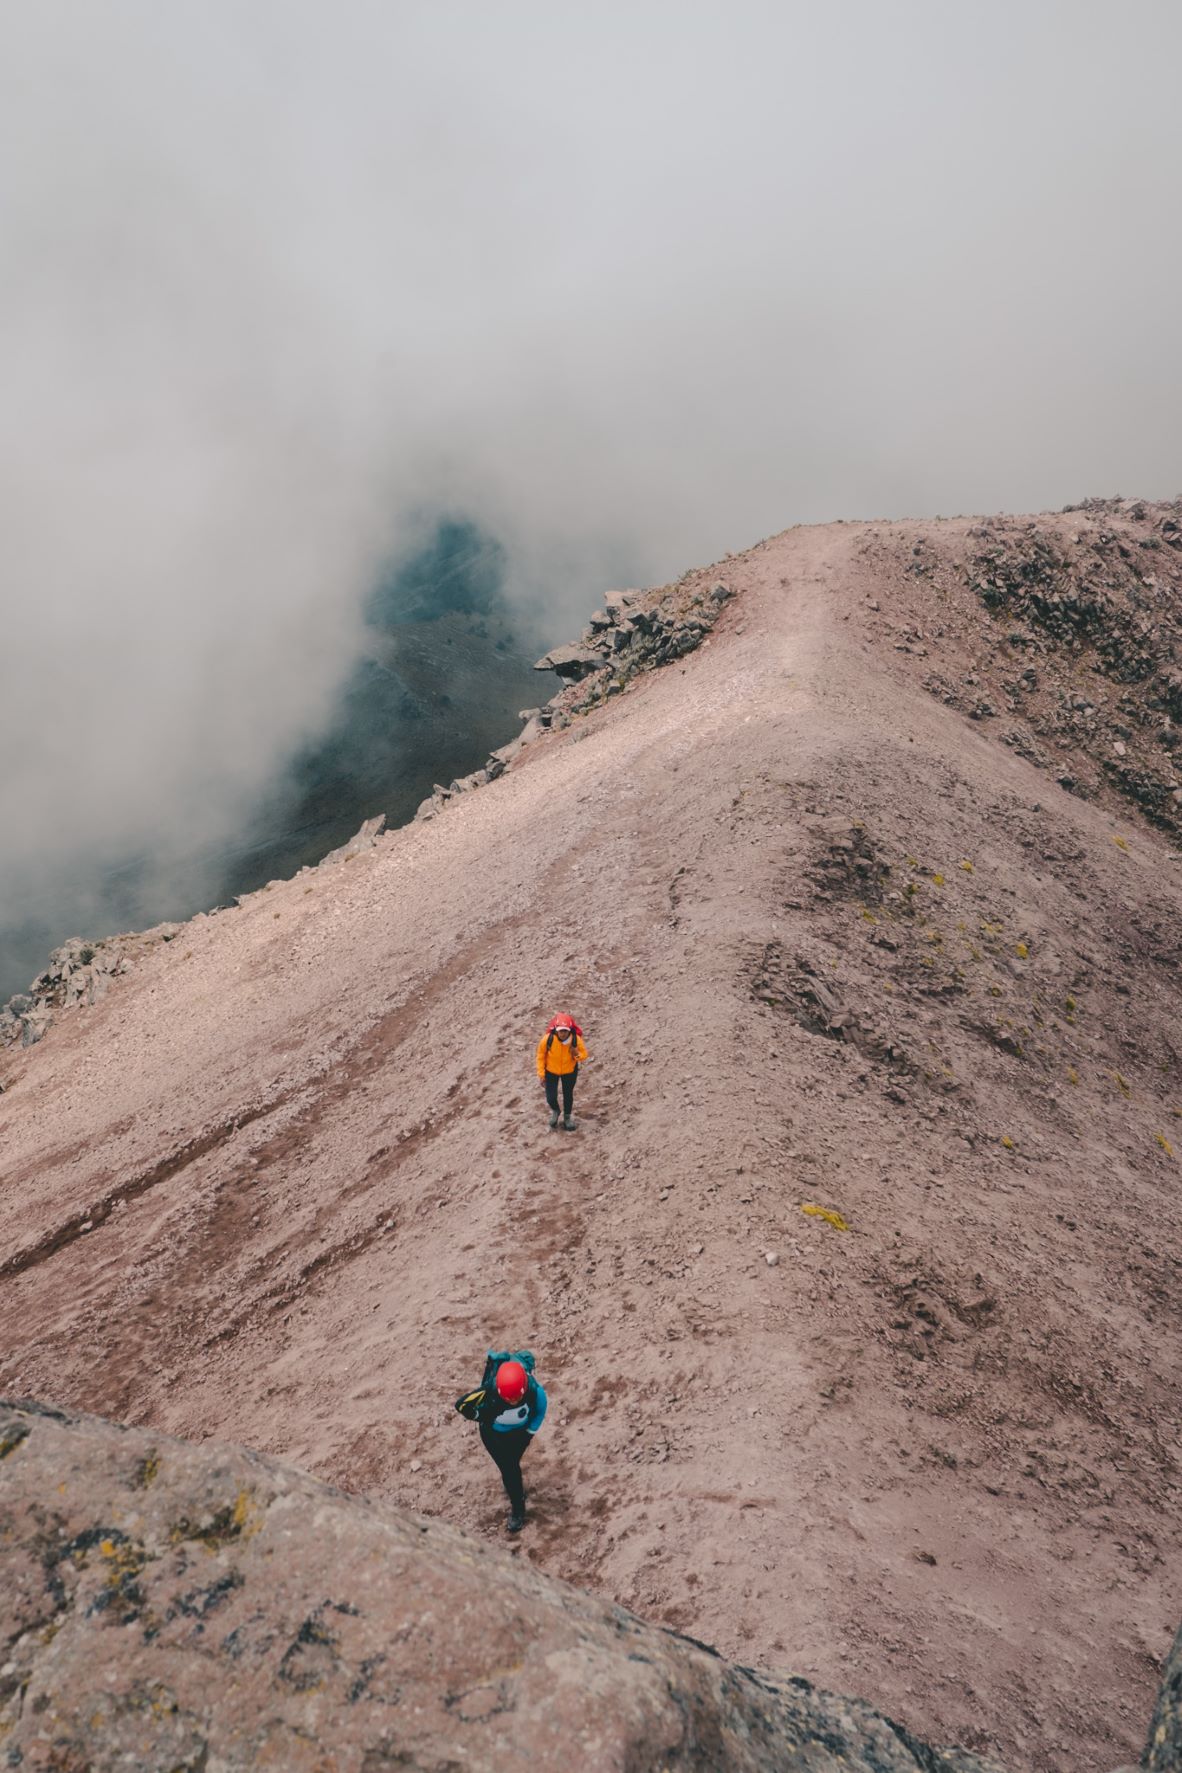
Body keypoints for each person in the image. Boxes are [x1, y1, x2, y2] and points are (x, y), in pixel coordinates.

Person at [455, 1350, 548, 1533]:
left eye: (516, 1398)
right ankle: (518, 1506)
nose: (512, 1401)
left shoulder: (535, 1392)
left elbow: (539, 1411)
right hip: (492, 1436)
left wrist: (528, 1435)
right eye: (508, 1398)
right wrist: (480, 1416)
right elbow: (462, 1405)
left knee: (511, 1467)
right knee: (510, 1467)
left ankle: (514, 1492)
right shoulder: (490, 1390)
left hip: (520, 1435)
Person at [536, 1013, 588, 1131]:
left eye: (565, 1031)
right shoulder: (548, 1039)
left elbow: (584, 1055)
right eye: (560, 1031)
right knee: (550, 1097)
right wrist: (541, 1074)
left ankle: (567, 1118)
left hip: (569, 1071)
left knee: (568, 1095)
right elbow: (540, 1055)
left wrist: (576, 1055)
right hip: (551, 1071)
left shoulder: (576, 1039)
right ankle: (556, 1110)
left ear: (569, 1030)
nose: (563, 1033)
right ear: (556, 1030)